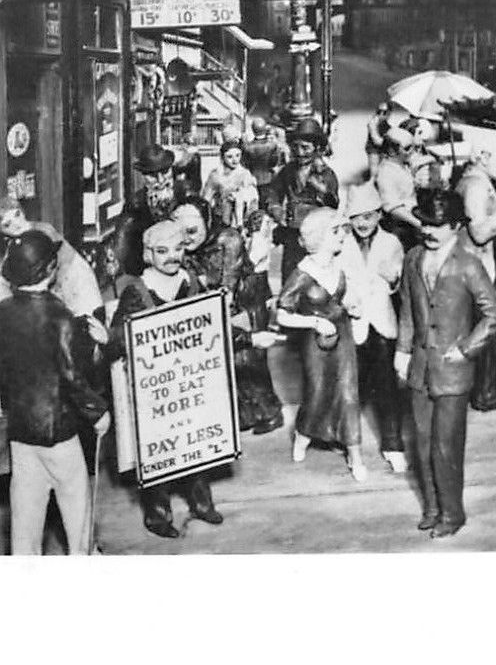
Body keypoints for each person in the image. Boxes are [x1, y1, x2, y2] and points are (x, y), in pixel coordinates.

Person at [0, 231, 109, 555]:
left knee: (25, 508)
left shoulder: (3, 311)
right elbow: (72, 376)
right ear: (51, 270)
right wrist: (97, 411)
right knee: (75, 498)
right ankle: (83, 555)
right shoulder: (60, 316)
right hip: (59, 431)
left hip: (21, 430)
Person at [394, 186, 496, 538]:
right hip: (420, 367)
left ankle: (452, 514)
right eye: (424, 222)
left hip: (453, 371)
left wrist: (467, 349)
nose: (427, 230)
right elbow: (409, 309)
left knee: (446, 447)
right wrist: (402, 349)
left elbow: (493, 314)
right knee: (421, 442)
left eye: (437, 225)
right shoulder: (413, 258)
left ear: (455, 226)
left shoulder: (468, 265)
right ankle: (431, 507)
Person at [109, 219, 225, 540]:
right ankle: (157, 512)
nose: (171, 257)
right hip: (155, 386)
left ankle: (200, 501)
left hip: (189, 378)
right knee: (158, 448)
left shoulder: (191, 282)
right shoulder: (138, 290)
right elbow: (118, 335)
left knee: (195, 443)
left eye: (177, 249)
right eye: (162, 251)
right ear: (149, 255)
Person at [171, 197, 283, 435]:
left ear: (207, 221)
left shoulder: (228, 239)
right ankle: (243, 415)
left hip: (243, 303)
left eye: (192, 231)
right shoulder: (187, 248)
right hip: (218, 306)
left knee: (248, 362)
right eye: (180, 233)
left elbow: (229, 284)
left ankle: (269, 412)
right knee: (229, 363)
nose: (186, 238)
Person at [276, 208, 366, 482]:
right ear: (323, 236)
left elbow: (340, 300)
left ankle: (355, 454)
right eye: (338, 232)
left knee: (349, 393)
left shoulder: (337, 267)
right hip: (316, 344)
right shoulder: (302, 274)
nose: (343, 237)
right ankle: (303, 434)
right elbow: (282, 314)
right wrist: (314, 323)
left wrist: (352, 306)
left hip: (343, 337)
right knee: (318, 392)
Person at [338, 182, 406, 474]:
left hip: (382, 325)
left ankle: (393, 445)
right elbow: (332, 281)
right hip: (353, 327)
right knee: (349, 389)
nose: (363, 222)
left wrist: (393, 279)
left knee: (387, 388)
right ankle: (347, 444)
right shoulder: (340, 242)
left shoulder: (391, 242)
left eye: (369, 215)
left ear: (380, 215)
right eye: (356, 216)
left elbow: (399, 283)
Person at [455, 128, 496, 411]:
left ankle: (485, 391)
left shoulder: (477, 180)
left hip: (475, 266)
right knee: (488, 325)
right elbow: (480, 233)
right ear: (482, 156)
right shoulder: (475, 185)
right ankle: (486, 394)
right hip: (476, 267)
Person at [0, 196, 103, 322]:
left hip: (73, 276)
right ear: (1, 231)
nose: (17, 224)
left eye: (17, 215)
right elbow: (5, 268)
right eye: (7, 225)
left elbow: (58, 263)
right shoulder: (16, 243)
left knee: (88, 317)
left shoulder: (43, 231)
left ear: (23, 211)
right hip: (57, 282)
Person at [268, 116, 340, 284]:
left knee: (316, 276)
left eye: (305, 148)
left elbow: (333, 205)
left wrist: (322, 191)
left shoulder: (326, 175)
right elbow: (274, 194)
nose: (300, 153)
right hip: (292, 232)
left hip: (317, 235)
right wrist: (277, 211)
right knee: (291, 274)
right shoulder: (288, 171)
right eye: (296, 148)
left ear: (317, 148)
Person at [111, 143, 179, 284]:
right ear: (143, 177)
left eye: (165, 172)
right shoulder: (135, 206)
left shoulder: (184, 194)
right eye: (153, 175)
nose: (161, 181)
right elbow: (123, 253)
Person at [374, 125, 424, 248]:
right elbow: (392, 208)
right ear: (392, 151)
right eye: (407, 148)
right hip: (399, 228)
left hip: (411, 219)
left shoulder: (401, 164)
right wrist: (419, 224)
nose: (412, 151)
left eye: (413, 146)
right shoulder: (385, 173)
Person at [202, 135, 260, 231]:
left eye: (238, 155)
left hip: (243, 222)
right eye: (229, 157)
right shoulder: (216, 175)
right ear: (222, 157)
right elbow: (206, 200)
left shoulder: (245, 173)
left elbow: (254, 199)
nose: (234, 160)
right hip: (221, 220)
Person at [364, 101, 392, 177]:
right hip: (373, 149)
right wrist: (386, 142)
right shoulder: (373, 122)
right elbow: (375, 138)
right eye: (380, 112)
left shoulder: (386, 124)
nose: (382, 114)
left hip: (382, 150)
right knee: (374, 171)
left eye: (385, 112)